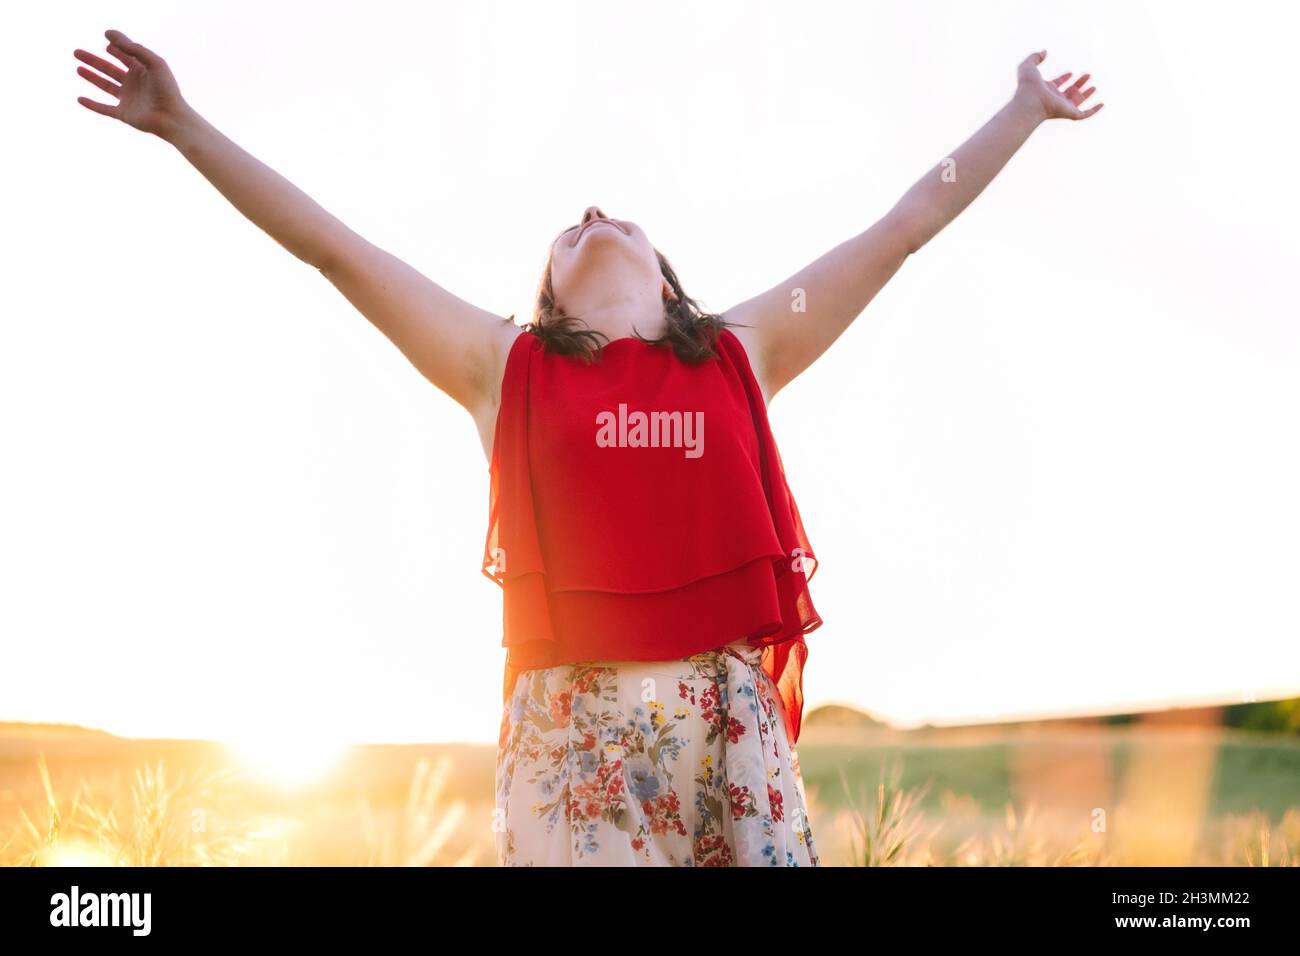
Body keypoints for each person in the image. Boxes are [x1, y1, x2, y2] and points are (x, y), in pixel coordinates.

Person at [74, 28, 1103, 867]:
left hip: (726, 718)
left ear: (666, 281)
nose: (590, 216)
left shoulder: (750, 345)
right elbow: (333, 248)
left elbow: (904, 225)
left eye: (616, 220)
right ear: (546, 298)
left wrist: (1021, 108)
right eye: (563, 233)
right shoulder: (500, 367)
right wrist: (181, 125)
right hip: (572, 732)